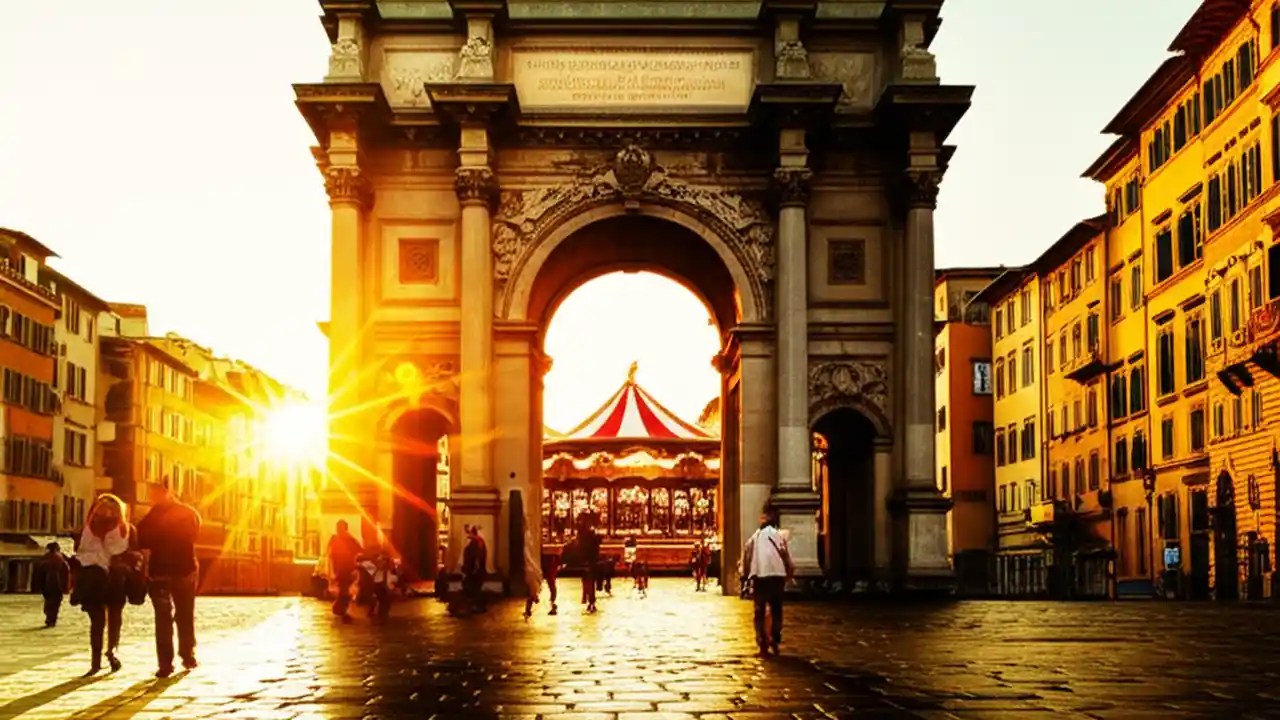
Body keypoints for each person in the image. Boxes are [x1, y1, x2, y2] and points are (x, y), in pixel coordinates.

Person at [137, 477, 202, 678]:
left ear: (166, 492)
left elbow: (143, 539)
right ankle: (178, 658)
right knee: (177, 616)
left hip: (175, 572)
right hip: (172, 572)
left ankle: (174, 659)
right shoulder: (186, 514)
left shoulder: (154, 518)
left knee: (174, 617)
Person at [74, 494, 136, 675]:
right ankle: (111, 652)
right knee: (114, 618)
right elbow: (128, 551)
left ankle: (97, 661)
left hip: (94, 576)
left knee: (98, 622)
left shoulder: (88, 529)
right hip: (112, 577)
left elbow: (80, 552)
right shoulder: (125, 529)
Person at [740, 508, 794, 656]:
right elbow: (786, 555)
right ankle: (775, 637)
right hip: (777, 576)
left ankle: (762, 639)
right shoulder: (779, 535)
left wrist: (744, 576)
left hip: (760, 576)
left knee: (759, 609)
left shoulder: (755, 537)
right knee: (776, 609)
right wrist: (789, 573)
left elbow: (746, 556)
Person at [326, 520, 363, 623]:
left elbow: (358, 553)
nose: (338, 530)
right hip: (341, 571)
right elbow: (330, 555)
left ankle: (342, 609)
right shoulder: (336, 540)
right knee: (343, 590)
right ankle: (342, 609)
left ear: (345, 529)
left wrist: (355, 567)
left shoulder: (350, 541)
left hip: (346, 570)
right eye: (338, 528)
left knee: (344, 589)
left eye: (340, 528)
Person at [36, 542, 70, 627]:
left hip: (47, 586)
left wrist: (40, 586)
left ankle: (49, 618)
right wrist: (66, 587)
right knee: (55, 604)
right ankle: (52, 619)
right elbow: (66, 573)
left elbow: (39, 573)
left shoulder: (44, 559)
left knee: (49, 602)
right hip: (57, 586)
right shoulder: (61, 559)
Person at [461, 525, 488, 614]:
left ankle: (476, 605)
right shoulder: (477, 542)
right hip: (473, 570)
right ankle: (475, 605)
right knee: (473, 588)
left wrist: (475, 568)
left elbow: (477, 556)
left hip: (474, 571)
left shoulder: (477, 542)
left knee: (473, 588)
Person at [522, 527, 544, 619]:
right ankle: (532, 602)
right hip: (531, 570)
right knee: (533, 591)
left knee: (533, 591)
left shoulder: (531, 550)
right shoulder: (528, 550)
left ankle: (529, 608)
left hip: (532, 570)